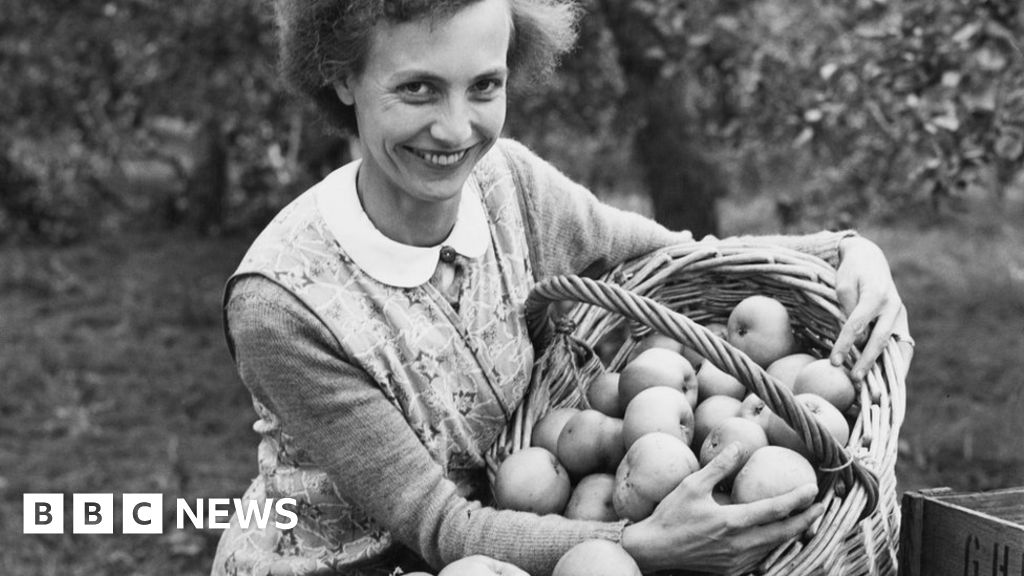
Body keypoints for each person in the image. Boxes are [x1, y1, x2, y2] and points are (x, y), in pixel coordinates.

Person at [211, 0, 913, 575]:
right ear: (342, 79)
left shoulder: (509, 185)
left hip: (529, 534)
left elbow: (684, 257)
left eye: (485, 86)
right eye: (417, 87)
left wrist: (842, 252)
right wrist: (638, 546)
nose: (456, 129)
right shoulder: (283, 304)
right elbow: (439, 527)